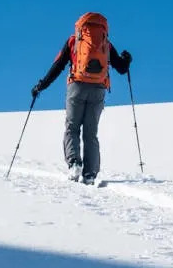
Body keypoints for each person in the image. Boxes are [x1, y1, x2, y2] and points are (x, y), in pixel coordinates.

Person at [31, 12, 132, 184]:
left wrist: (41, 85)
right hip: (98, 90)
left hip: (76, 87)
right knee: (91, 133)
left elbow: (57, 66)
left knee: (72, 127)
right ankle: (90, 173)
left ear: (80, 26)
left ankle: (74, 163)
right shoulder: (105, 43)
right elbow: (121, 68)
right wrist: (126, 60)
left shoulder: (74, 41)